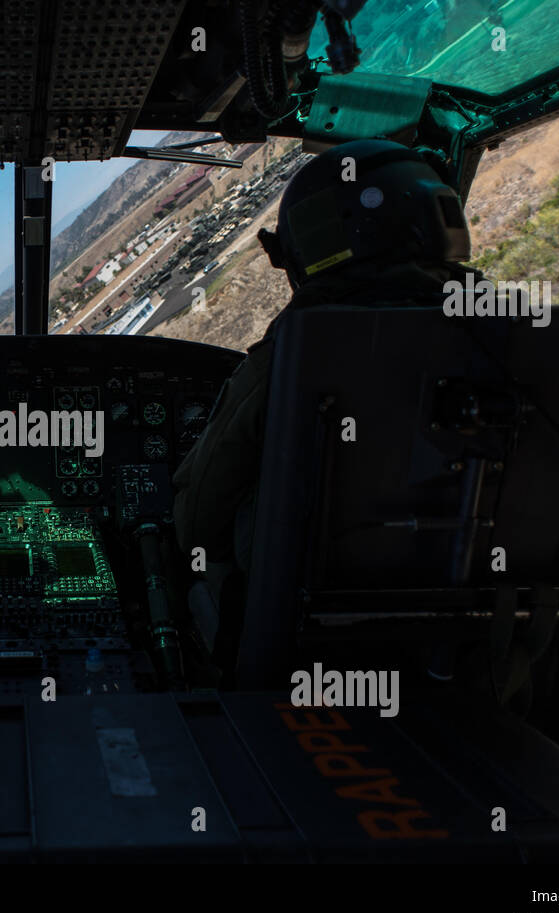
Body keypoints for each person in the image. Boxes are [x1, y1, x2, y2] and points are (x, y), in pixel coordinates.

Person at [172, 138, 480, 653]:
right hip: (482, 642)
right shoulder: (519, 331)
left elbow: (197, 518)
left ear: (314, 251)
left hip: (311, 645)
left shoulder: (292, 358)